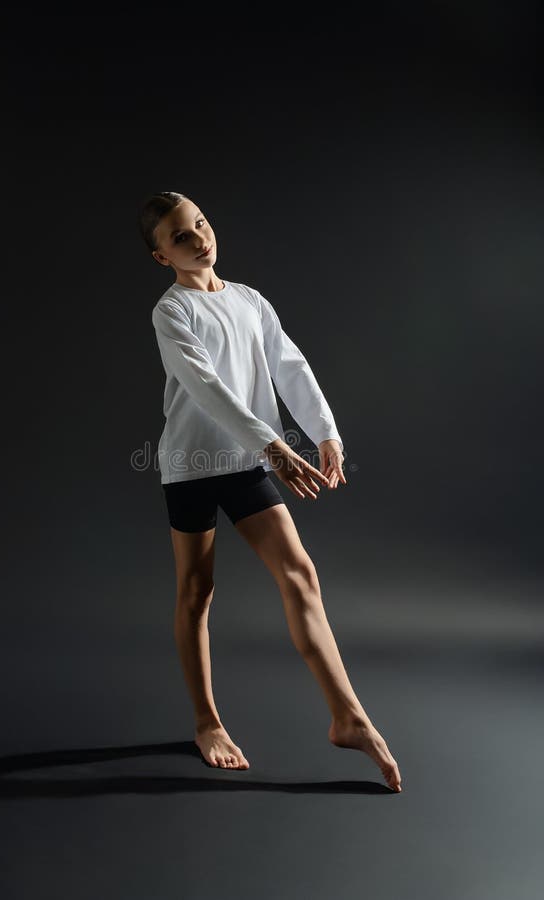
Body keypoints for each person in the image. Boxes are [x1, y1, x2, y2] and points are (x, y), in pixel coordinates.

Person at [140, 191, 402, 792]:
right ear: (162, 257)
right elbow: (207, 389)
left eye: (201, 223)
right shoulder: (171, 312)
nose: (199, 237)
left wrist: (324, 431)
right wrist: (276, 446)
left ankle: (348, 717)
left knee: (301, 575)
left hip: (247, 458)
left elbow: (288, 363)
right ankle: (207, 721)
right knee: (196, 592)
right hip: (193, 463)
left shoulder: (250, 300)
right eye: (181, 236)